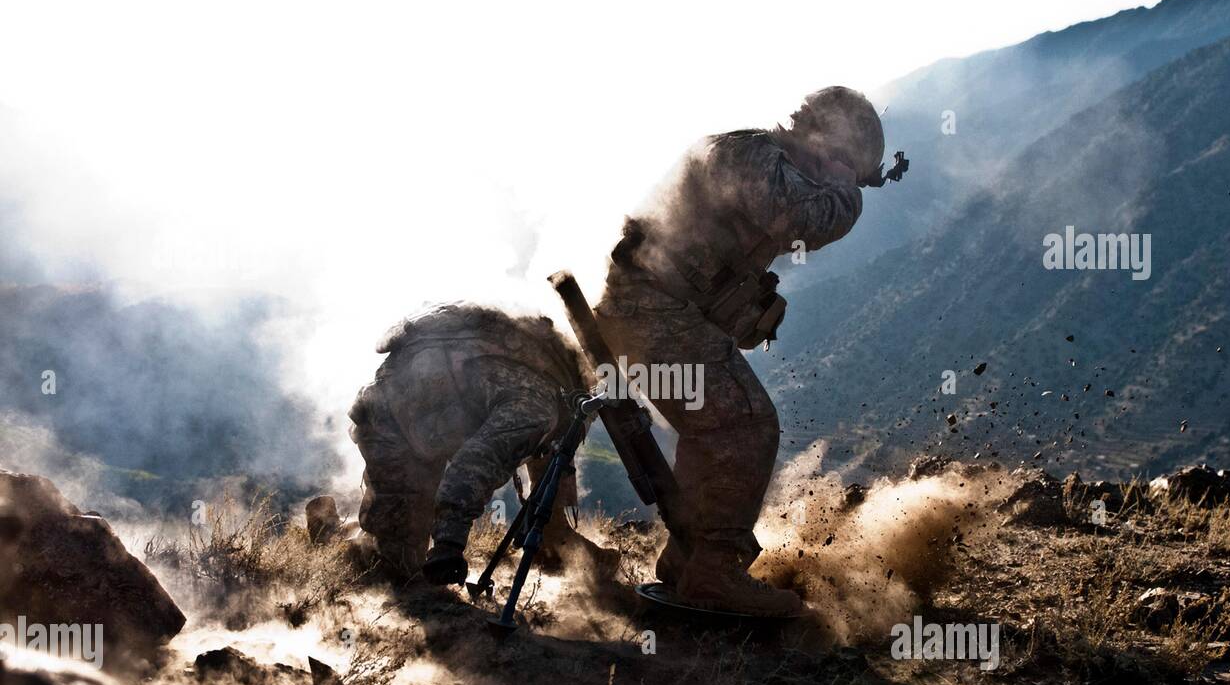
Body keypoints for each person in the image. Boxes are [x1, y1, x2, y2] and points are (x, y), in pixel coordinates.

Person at [593, 86, 888, 615]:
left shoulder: (764, 160)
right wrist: (849, 191)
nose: (839, 175)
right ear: (821, 138)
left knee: (716, 426)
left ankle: (688, 564)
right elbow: (802, 219)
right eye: (843, 160)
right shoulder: (748, 154)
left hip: (650, 311)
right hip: (651, 310)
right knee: (746, 423)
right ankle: (713, 572)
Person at [348, 302, 612, 585]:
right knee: (396, 569)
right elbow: (479, 462)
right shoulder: (537, 405)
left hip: (413, 414)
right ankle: (333, 533)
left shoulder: (537, 373)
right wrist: (449, 542)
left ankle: (349, 531)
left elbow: (549, 459)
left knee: (398, 549)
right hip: (390, 424)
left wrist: (555, 535)